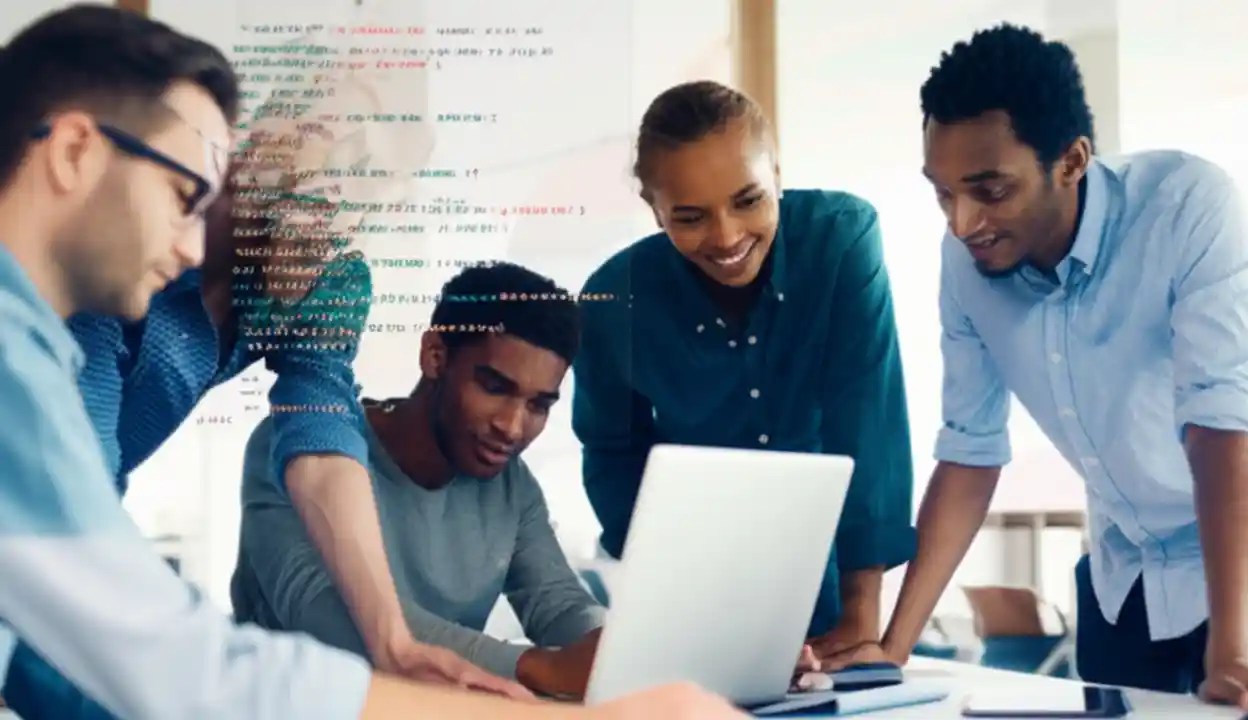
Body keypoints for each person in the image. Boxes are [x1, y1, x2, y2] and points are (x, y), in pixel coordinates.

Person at [0, 6, 746, 720]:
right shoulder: (86, 287)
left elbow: (320, 432)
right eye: (347, 157)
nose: (350, 206)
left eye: (378, 189)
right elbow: (169, 647)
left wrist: (395, 640)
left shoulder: (321, 279)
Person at [878, 23, 1248, 713]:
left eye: (990, 191)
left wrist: (1233, 646)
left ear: (1071, 159)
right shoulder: (966, 264)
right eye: (943, 193)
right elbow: (970, 453)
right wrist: (891, 654)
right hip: (1125, 577)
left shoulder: (1187, 206)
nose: (962, 222)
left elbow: (1219, 424)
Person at [572, 79, 916, 673]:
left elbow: (868, 420)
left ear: (777, 173)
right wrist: (677, 592)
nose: (727, 236)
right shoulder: (612, 302)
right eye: (689, 216)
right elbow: (611, 456)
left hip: (838, 575)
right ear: (653, 207)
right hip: (699, 590)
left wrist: (862, 612)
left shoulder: (842, 240)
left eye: (749, 199)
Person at [233, 262, 610, 700]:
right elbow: (323, 611)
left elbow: (560, 603)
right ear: (435, 356)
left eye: (538, 406)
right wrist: (538, 667)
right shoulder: (297, 446)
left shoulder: (512, 485)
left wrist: (608, 649)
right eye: (493, 387)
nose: (512, 426)